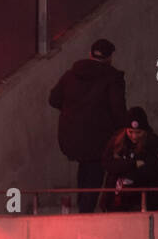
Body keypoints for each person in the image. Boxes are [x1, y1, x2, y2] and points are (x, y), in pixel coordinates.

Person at [49, 38, 127, 213]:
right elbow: (118, 111)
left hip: (71, 136)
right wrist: (122, 132)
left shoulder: (71, 74)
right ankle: (85, 213)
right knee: (94, 173)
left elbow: (53, 99)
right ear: (109, 58)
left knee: (84, 169)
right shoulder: (112, 78)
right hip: (98, 138)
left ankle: (83, 208)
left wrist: (73, 112)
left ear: (90, 54)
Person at [99, 107, 158, 212]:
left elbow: (152, 169)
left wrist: (121, 166)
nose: (134, 136)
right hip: (116, 200)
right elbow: (107, 163)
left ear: (145, 131)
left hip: (143, 200)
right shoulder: (117, 141)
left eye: (138, 132)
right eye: (130, 132)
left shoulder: (154, 143)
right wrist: (133, 164)